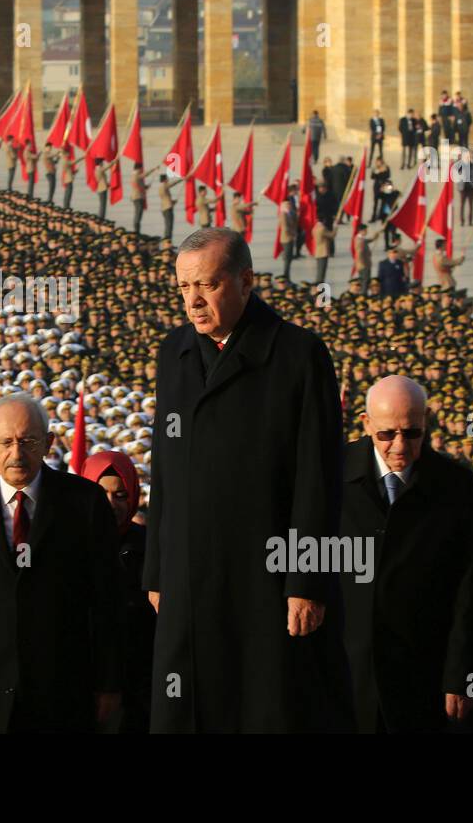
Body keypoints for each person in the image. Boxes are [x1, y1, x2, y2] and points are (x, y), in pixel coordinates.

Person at [144, 227, 352, 732]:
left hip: (264, 580)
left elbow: (318, 478)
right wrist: (155, 572)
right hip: (189, 576)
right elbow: (164, 470)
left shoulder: (298, 355)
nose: (193, 301)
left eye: (207, 286)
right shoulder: (174, 353)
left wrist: (307, 583)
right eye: (183, 288)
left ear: (246, 281)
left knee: (263, 706)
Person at [0, 393, 122, 732]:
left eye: (27, 441)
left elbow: (107, 599)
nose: (16, 454)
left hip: (65, 692)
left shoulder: (85, 502)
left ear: (49, 443)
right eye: (6, 442)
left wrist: (108, 683)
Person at [340, 376, 473, 733]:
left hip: (424, 670)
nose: (400, 446)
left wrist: (463, 672)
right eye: (387, 434)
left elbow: (472, 586)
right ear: (365, 424)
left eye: (412, 432)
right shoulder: (331, 473)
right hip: (344, 670)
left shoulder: (455, 485)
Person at [81, 449, 155, 734]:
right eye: (102, 494)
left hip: (140, 694)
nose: (111, 504)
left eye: (121, 495)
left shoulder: (152, 548)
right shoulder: (68, 544)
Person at [159, 172, 177, 242]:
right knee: (169, 225)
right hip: (167, 208)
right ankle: (168, 240)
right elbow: (173, 184)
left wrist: (172, 202)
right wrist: (183, 179)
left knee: (168, 225)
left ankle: (167, 240)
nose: (168, 180)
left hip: (165, 207)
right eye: (167, 179)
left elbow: (166, 198)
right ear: (165, 180)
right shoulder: (164, 185)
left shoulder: (161, 187)